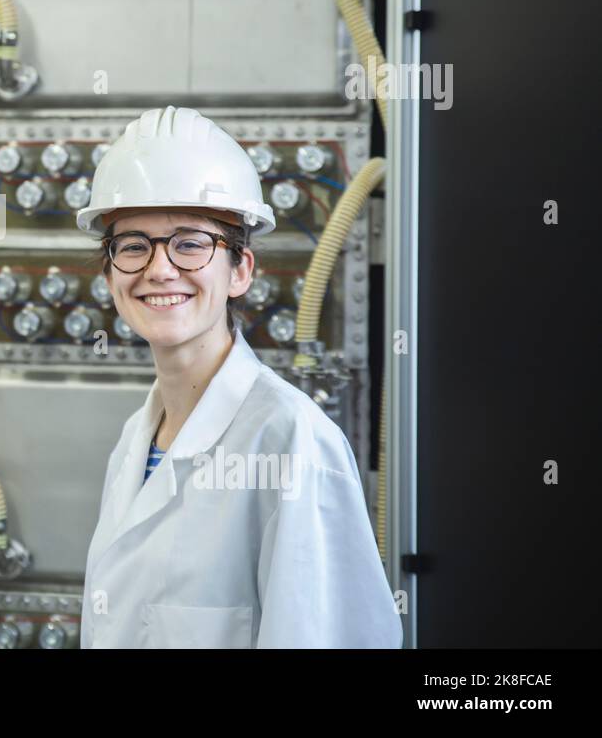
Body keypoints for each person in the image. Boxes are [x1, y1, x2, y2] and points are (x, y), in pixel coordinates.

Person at [75, 106, 400, 648]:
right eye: (132, 245)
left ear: (240, 271)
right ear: (110, 276)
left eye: (191, 243)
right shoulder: (135, 440)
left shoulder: (293, 441)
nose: (159, 269)